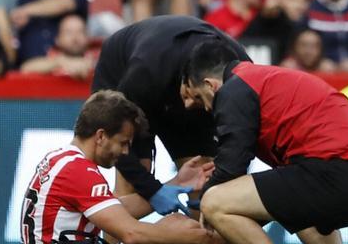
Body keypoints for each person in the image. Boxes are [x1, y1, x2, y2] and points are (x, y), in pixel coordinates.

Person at [186, 41, 348, 244]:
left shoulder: (235, 88)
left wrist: (205, 212)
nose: (205, 108)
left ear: (210, 84)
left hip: (338, 171)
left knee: (215, 201)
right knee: (291, 204)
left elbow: (232, 166)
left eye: (198, 98)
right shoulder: (266, 79)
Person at [18, 90, 268, 244]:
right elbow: (131, 233)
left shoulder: (61, 159)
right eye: (123, 142)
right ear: (101, 136)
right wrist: (204, 239)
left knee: (179, 227)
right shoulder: (78, 170)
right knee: (184, 234)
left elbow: (113, 209)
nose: (126, 152)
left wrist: (175, 184)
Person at [90, 15, 250, 213]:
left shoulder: (242, 70)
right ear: (186, 77)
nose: (189, 104)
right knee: (132, 183)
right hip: (126, 73)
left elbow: (245, 138)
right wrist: (153, 190)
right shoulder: (145, 74)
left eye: (199, 99)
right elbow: (118, 147)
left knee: (203, 177)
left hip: (171, 73)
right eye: (188, 95)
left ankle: (198, 242)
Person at [243, 0, 311, 64]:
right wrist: (270, 8)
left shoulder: (303, 24)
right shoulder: (273, 16)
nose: (299, 5)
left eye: (304, 0)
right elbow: (268, 12)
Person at [19, 13, 96, 78]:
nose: (75, 37)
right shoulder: (50, 58)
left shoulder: (97, 58)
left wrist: (89, 65)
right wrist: (61, 62)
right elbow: (25, 68)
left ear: (88, 38)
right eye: (68, 32)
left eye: (80, 32)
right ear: (57, 40)